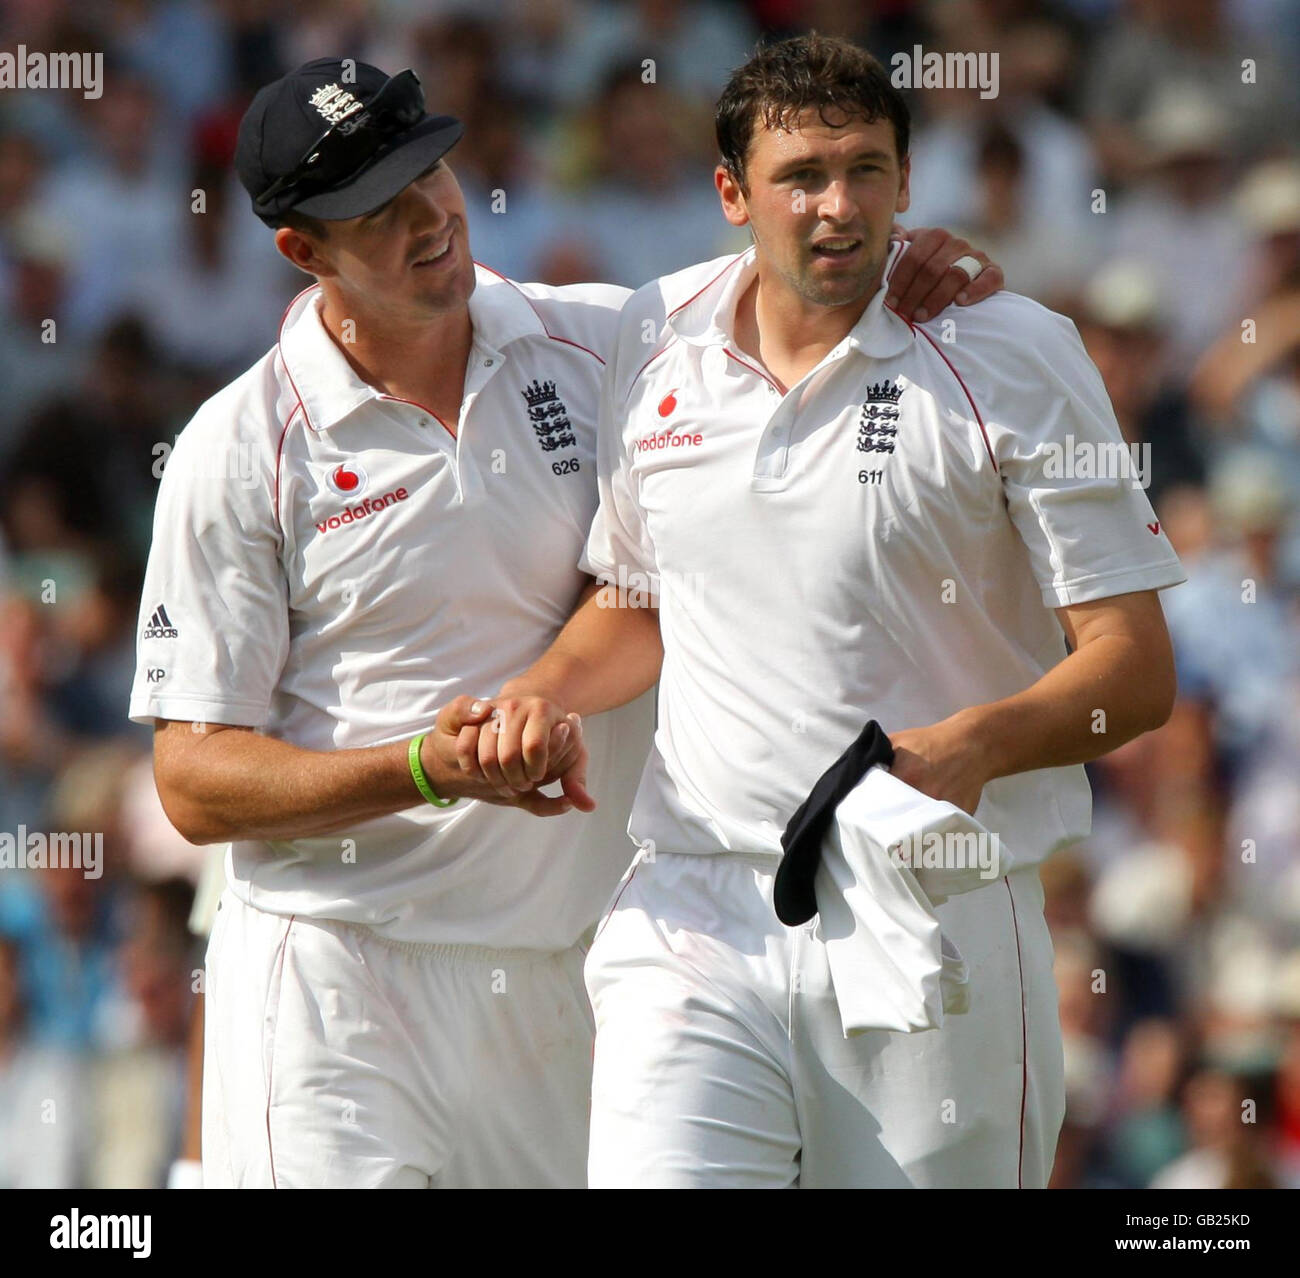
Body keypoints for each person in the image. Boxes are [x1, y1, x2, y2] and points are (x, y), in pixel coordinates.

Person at [128, 55, 999, 1188]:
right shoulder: (237, 448)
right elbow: (195, 783)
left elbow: (804, 295)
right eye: (374, 212)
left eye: (429, 175)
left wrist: (921, 261)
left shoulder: (612, 344)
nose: (429, 220)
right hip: (332, 984)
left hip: (566, 978)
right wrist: (428, 770)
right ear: (303, 250)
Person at [457, 34, 1187, 1188]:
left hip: (928, 898)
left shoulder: (1016, 351)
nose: (837, 207)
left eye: (867, 171)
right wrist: (538, 693)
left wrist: (974, 747)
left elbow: (1135, 673)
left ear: (905, 181)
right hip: (691, 908)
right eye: (801, 177)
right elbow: (639, 599)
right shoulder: (654, 332)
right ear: (731, 194)